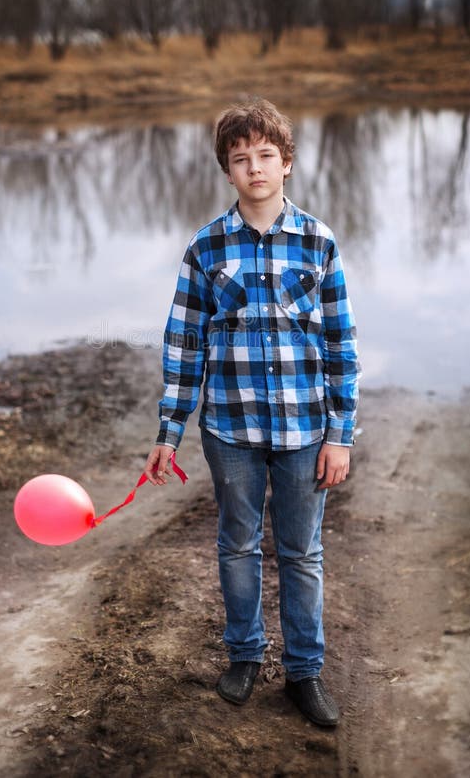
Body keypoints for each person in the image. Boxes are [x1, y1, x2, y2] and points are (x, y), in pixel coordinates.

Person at [144, 98, 360, 728]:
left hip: (303, 429)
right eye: (241, 159)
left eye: (266, 155)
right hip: (230, 430)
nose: (255, 167)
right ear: (228, 171)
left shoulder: (318, 242)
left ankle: (304, 672)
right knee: (236, 544)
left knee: (301, 551)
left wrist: (339, 435)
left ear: (286, 163)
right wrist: (169, 431)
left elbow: (341, 344)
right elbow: (183, 345)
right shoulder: (205, 248)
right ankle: (243, 653)